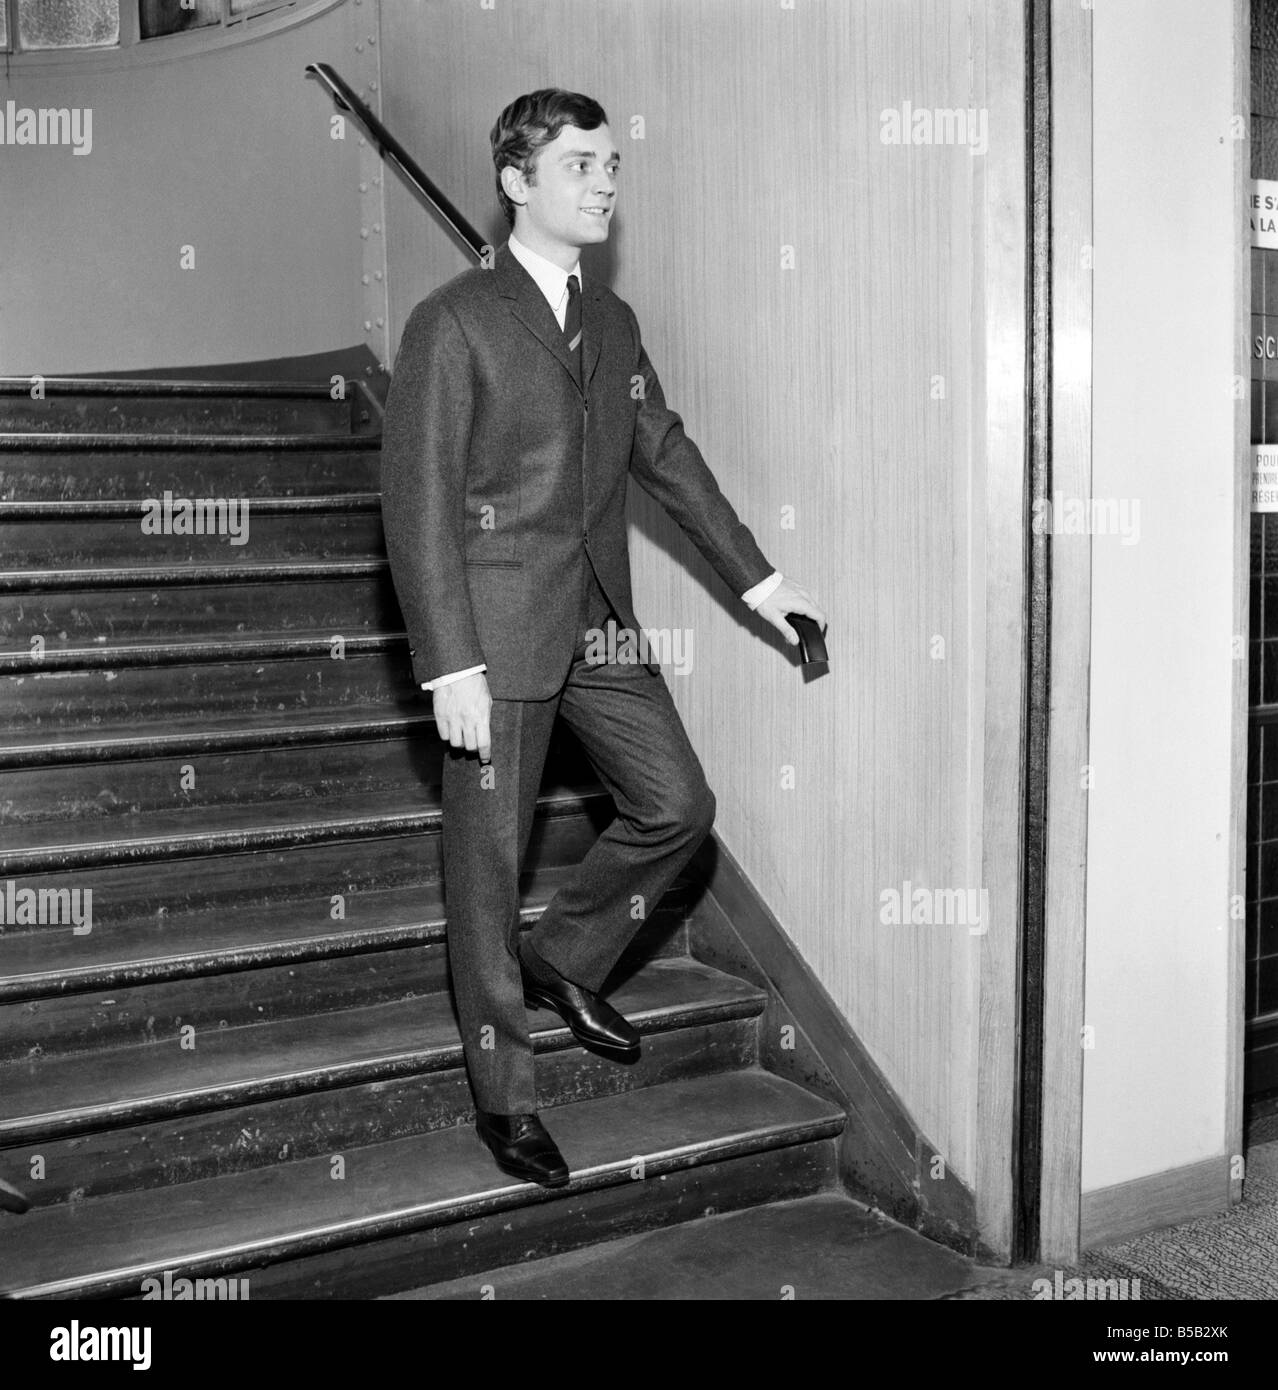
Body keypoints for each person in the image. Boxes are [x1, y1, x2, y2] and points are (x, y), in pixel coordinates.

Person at [380, 88, 826, 1188]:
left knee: (679, 804)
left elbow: (665, 453)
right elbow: (417, 503)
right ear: (516, 183)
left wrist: (764, 587)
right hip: (491, 634)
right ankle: (507, 1098)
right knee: (484, 872)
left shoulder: (612, 323)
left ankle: (563, 953)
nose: (605, 182)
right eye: (579, 165)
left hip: (598, 625)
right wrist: (450, 663)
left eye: (612, 164)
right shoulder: (454, 320)